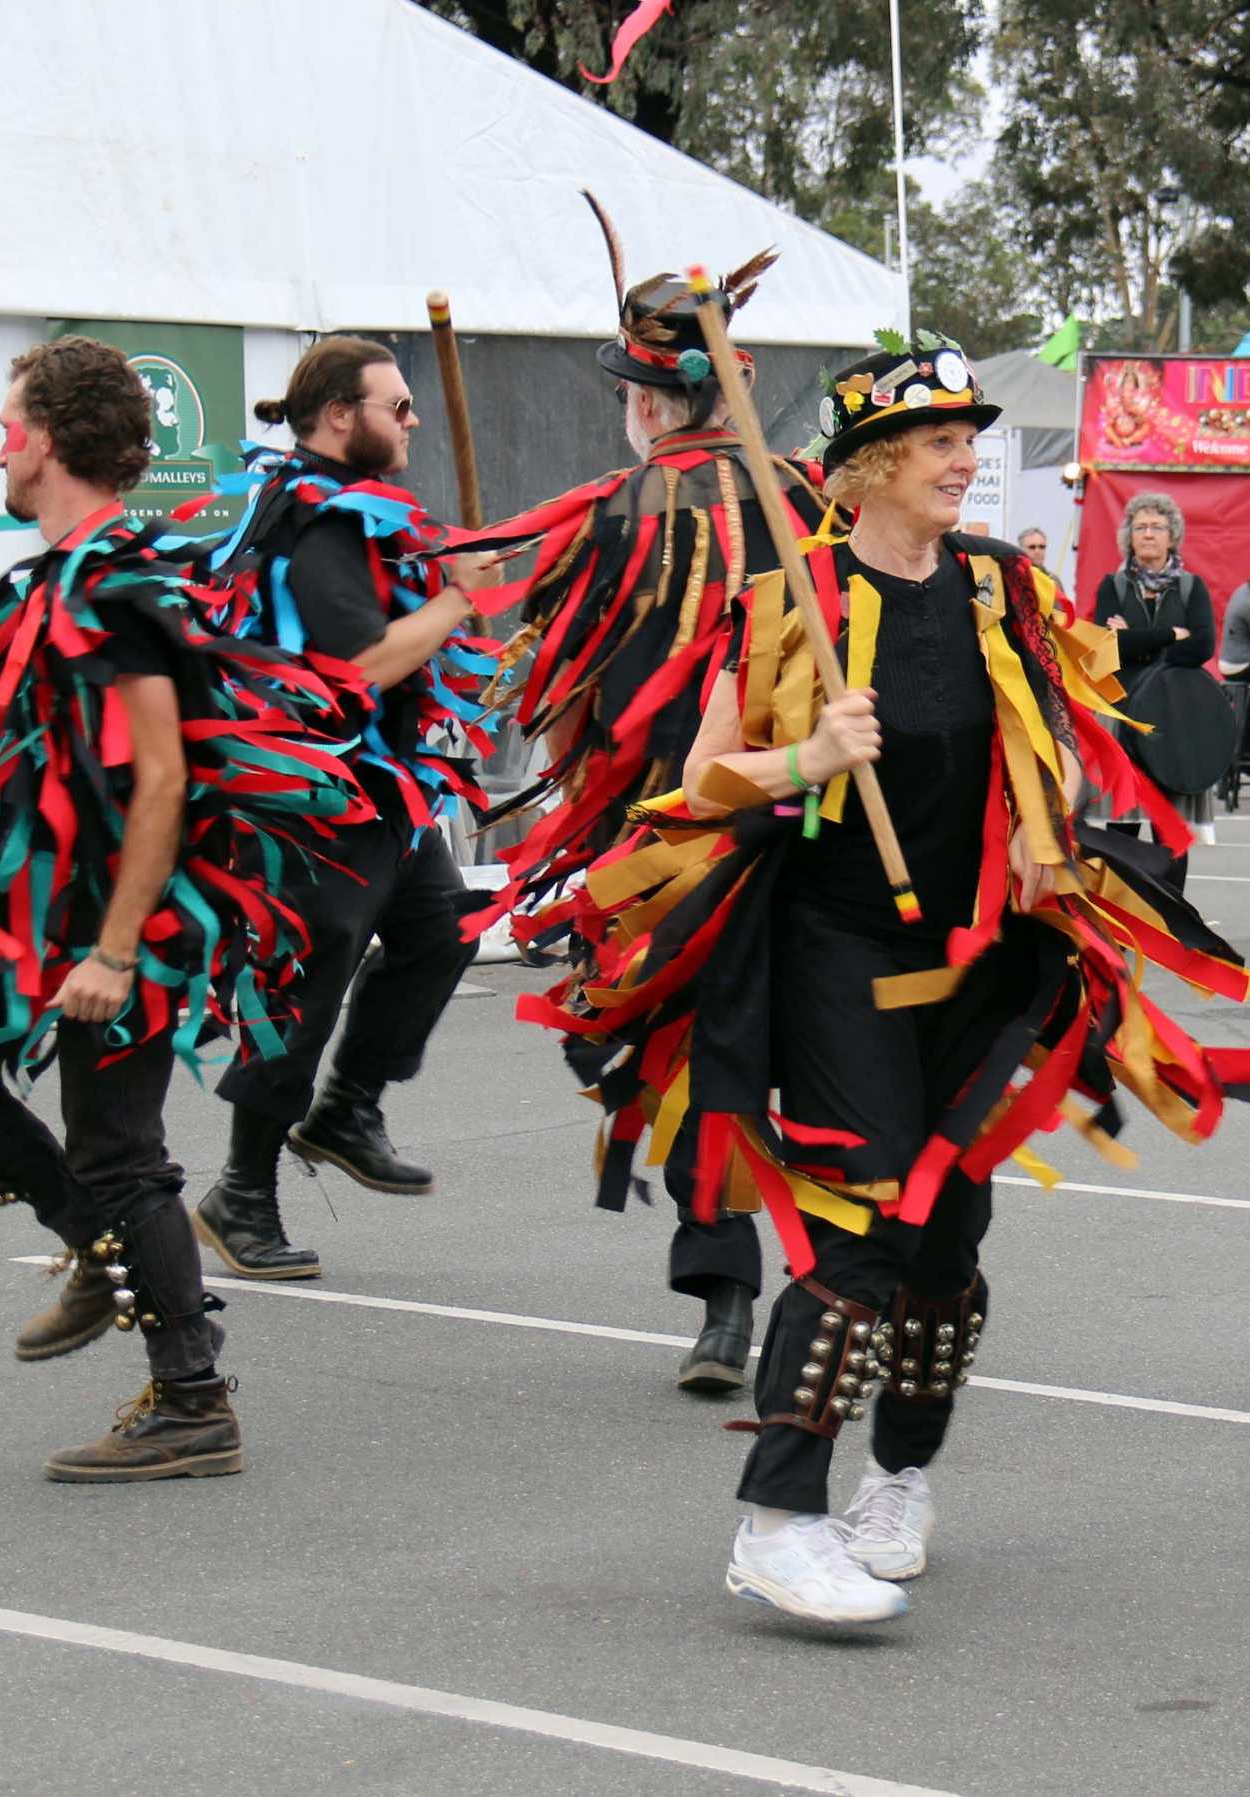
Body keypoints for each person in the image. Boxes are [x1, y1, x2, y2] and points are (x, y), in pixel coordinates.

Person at [525, 332, 1250, 1626]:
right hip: (837, 951)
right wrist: (807, 757)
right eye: (939, 440)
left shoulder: (999, 588)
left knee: (948, 1246)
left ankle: (901, 1479)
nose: (964, 458)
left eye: (965, 438)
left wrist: (1051, 843)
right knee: (862, 1223)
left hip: (975, 957)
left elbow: (1050, 742)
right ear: (872, 462)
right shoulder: (795, 603)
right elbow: (698, 782)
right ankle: (776, 1518)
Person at [0, 338, 374, 1481]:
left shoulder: (122, 583)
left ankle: (193, 1403)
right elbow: (46, 733)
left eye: (8, 423)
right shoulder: (65, 577)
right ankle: (94, 1249)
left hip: (123, 919)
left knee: (120, 1153)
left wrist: (119, 950)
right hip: (48, 914)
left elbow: (165, 776)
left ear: (45, 441)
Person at [454, 219, 821, 1396]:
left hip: (663, 836)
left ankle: (725, 1294)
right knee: (796, 1042)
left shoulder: (611, 515)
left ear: (653, 406)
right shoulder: (811, 497)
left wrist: (569, 803)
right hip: (812, 815)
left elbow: (557, 693)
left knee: (672, 1044)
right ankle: (817, 1269)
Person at [178, 337, 494, 1282]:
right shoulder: (314, 519)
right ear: (337, 415)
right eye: (394, 405)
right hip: (318, 799)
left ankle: (349, 1108)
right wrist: (452, 605)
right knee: (301, 998)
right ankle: (242, 1191)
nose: (411, 419)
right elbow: (353, 669)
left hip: (380, 790)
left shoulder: (356, 513)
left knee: (446, 925)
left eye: (408, 404)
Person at [1091, 491, 1224, 878]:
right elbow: (1107, 648)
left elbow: (1202, 645)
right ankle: (1127, 914)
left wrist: (1138, 638)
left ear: (1173, 536)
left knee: (1171, 827)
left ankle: (1170, 918)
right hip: (1125, 714)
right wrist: (1169, 635)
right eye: (1140, 526)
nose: (1148, 534)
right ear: (1128, 536)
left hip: (1177, 717)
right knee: (1124, 826)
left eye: (1157, 527)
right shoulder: (1111, 587)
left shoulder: (1190, 587)